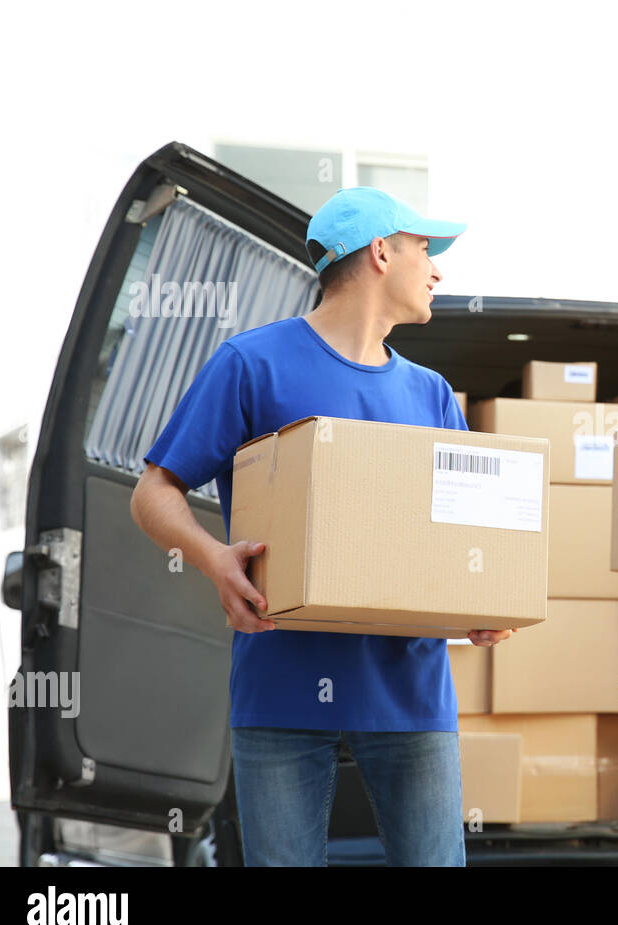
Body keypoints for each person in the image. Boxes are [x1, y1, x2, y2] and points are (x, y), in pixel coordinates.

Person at [130, 186, 512, 866]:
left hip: (408, 690)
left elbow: (462, 537)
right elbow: (153, 492)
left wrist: (479, 606)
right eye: (425, 249)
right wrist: (214, 558)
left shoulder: (429, 393)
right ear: (380, 252)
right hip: (282, 681)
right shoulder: (252, 363)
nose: (437, 269)